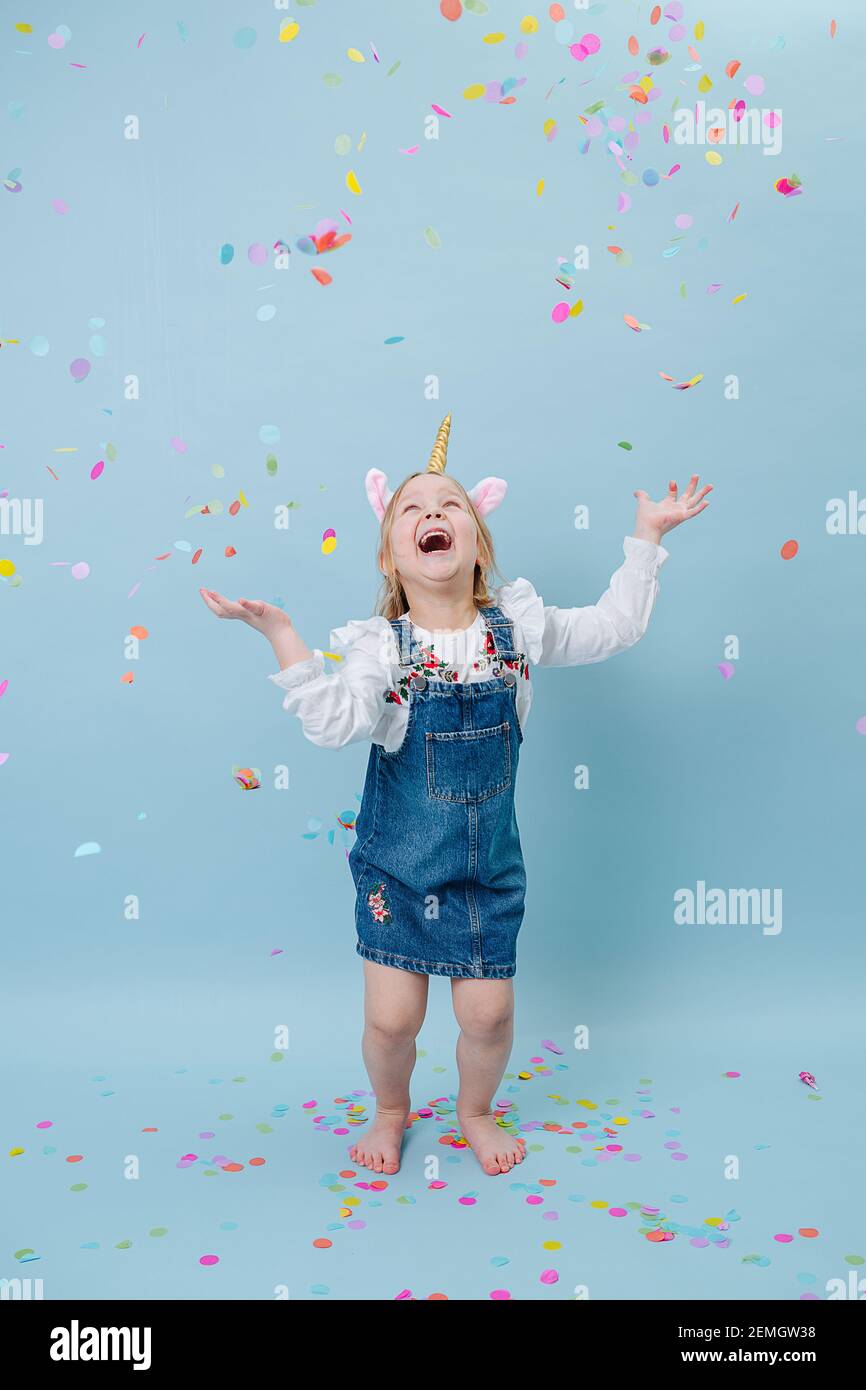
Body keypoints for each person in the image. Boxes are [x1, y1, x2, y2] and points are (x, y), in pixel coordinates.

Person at [199, 414, 711, 1176]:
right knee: (393, 1017)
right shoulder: (380, 647)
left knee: (489, 1012)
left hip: (485, 868)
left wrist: (648, 540)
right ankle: (390, 1108)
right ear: (390, 552)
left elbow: (614, 628)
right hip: (398, 868)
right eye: (412, 507)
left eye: (449, 505)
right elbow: (337, 724)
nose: (432, 513)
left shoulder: (520, 629)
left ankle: (473, 1110)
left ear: (477, 539)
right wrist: (284, 638)